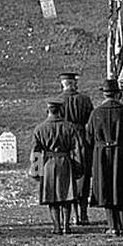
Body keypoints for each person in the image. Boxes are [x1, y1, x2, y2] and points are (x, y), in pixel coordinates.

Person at [86, 77, 123, 235]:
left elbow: (89, 137)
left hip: (102, 155)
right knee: (122, 187)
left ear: (105, 95)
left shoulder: (96, 113)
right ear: (118, 94)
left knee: (106, 188)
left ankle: (112, 225)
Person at [30, 98, 84, 235]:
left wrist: (36, 171)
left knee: (52, 198)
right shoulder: (69, 127)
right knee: (67, 196)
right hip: (65, 162)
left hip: (48, 164)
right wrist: (78, 168)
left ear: (47, 110)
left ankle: (56, 227)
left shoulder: (40, 128)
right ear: (60, 111)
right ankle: (66, 226)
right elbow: (77, 149)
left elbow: (35, 152)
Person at [57, 70, 94, 225]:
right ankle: (83, 214)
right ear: (75, 84)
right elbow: (90, 120)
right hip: (82, 139)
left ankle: (73, 216)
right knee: (83, 177)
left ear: (62, 84)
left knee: (67, 177)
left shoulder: (58, 101)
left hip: (65, 142)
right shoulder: (85, 100)